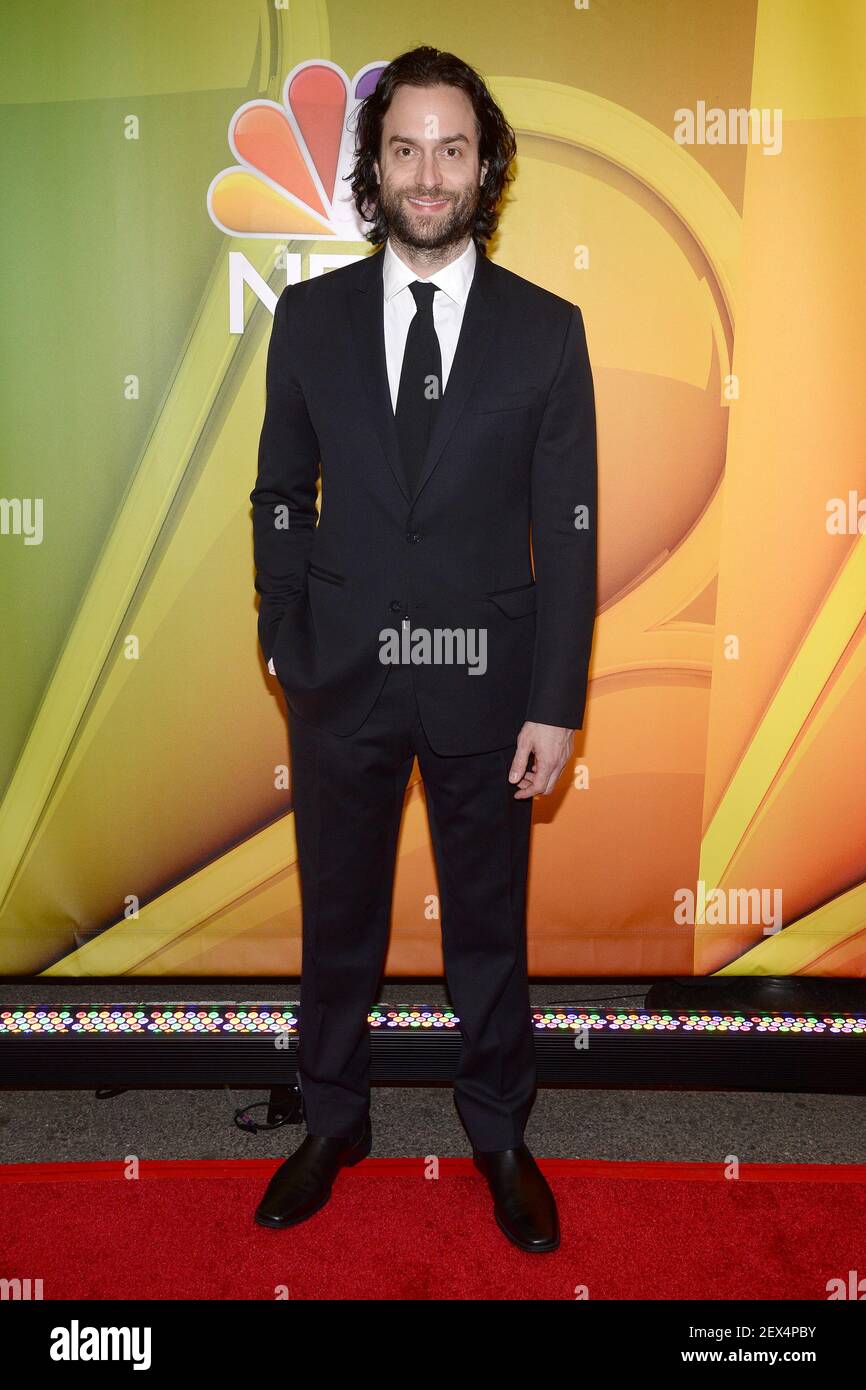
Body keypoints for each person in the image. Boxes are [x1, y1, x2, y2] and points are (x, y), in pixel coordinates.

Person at [249, 45, 597, 1253]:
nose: (429, 172)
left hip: (488, 689)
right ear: (374, 166)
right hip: (338, 675)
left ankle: (498, 1129)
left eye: (454, 147)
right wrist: (283, 635)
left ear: (484, 164)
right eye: (405, 147)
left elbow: (568, 528)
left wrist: (555, 701)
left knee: (487, 927)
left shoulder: (548, 334)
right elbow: (281, 493)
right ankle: (332, 1118)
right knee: (335, 917)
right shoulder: (308, 317)